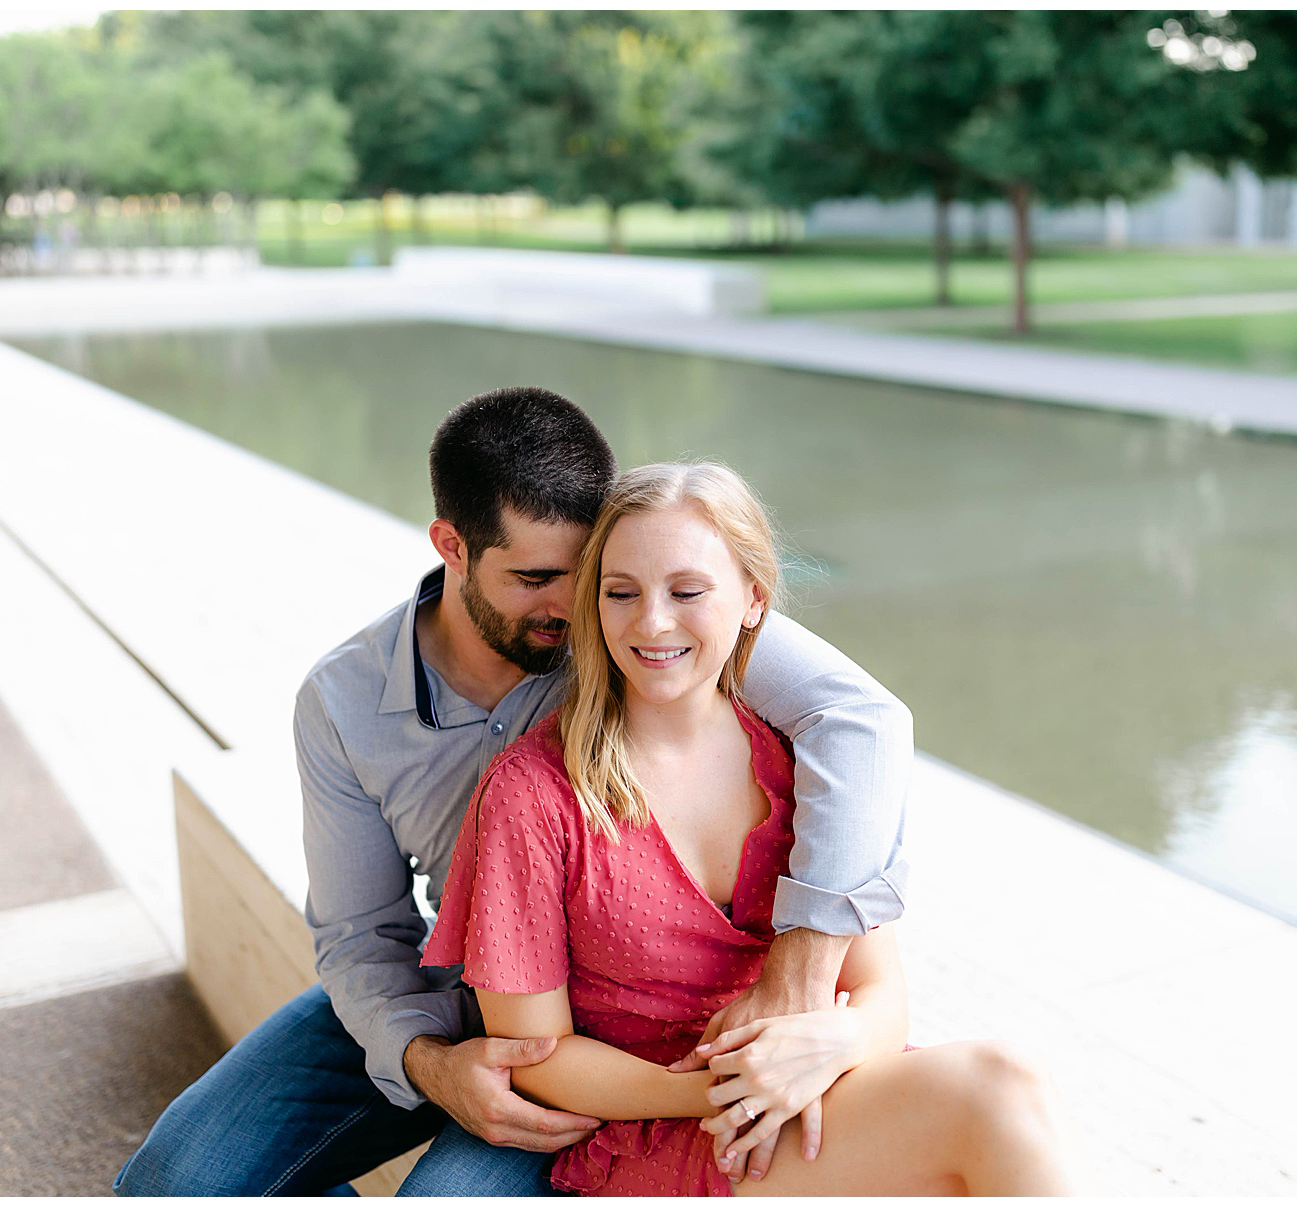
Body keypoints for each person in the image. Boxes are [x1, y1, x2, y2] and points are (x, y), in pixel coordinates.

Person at [116, 388, 912, 1196]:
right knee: (168, 1183)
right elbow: (361, 937)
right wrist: (432, 1065)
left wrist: (801, 973)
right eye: (534, 578)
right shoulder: (344, 701)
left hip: (597, 1022)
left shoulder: (641, 620)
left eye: (587, 576)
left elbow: (861, 720)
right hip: (445, 999)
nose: (574, 609)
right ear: (452, 546)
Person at [424, 461, 1092, 1195]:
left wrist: (828, 1045)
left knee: (1006, 1102)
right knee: (998, 1091)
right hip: (662, 1127)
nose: (652, 621)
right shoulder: (534, 791)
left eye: (687, 591)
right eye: (622, 593)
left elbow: (881, 993)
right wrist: (735, 1087)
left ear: (754, 601)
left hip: (820, 1087)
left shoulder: (810, 763)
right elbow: (535, 1052)